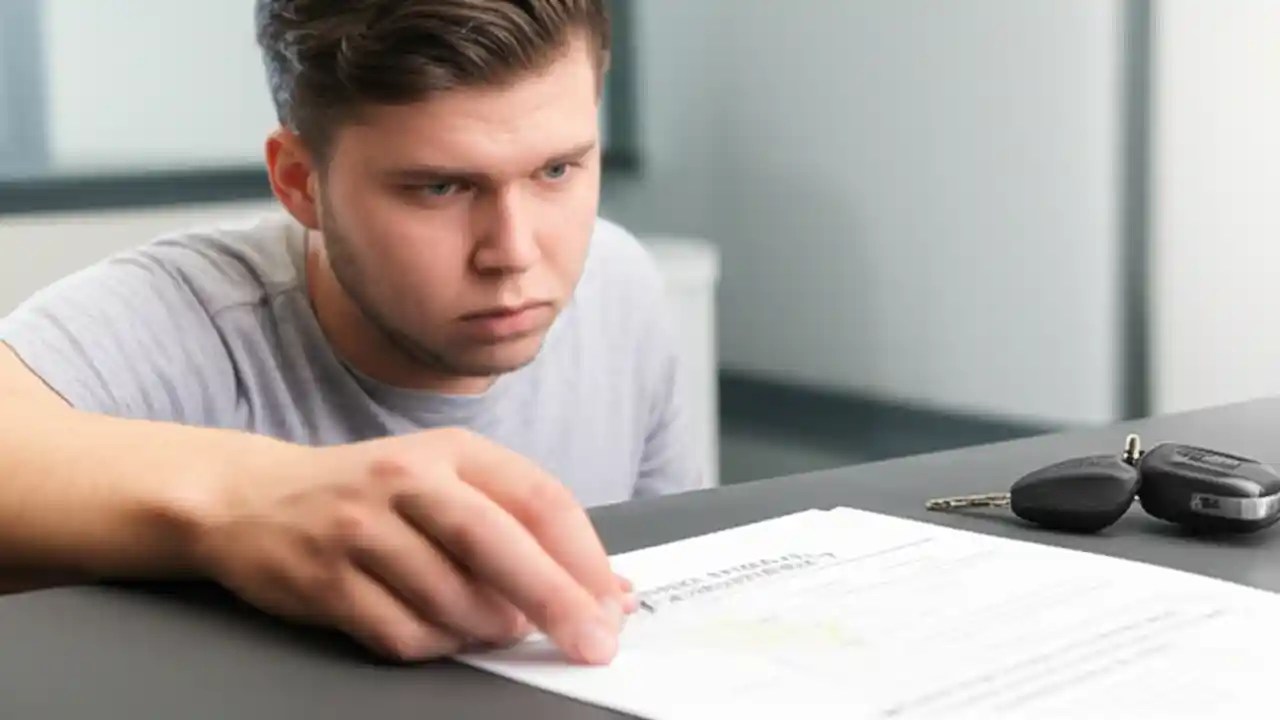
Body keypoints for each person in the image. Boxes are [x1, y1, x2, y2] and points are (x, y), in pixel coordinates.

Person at [0, 0, 699, 666]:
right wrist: (247, 499)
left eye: (557, 170)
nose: (513, 252)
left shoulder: (620, 287)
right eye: (439, 188)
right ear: (300, 181)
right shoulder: (192, 319)